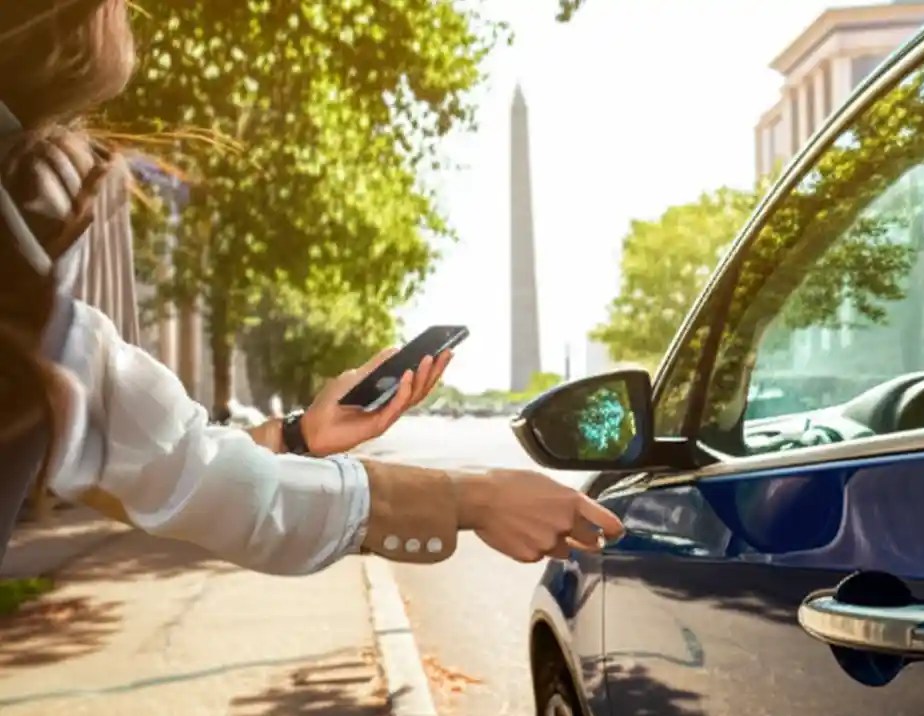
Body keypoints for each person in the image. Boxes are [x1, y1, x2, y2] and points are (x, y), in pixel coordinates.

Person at [0, 0, 624, 573]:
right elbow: (184, 475)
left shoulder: (26, 235)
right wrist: (471, 497)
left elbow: (168, 460)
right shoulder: (19, 248)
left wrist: (299, 438)